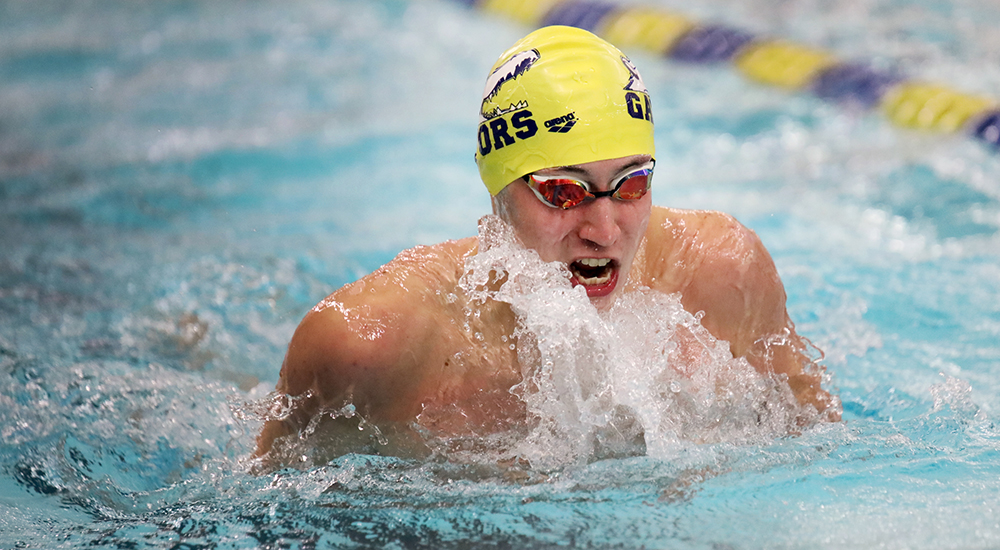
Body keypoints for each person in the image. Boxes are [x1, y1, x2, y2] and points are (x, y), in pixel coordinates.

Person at [255, 26, 839, 463]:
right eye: (563, 191)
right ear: (499, 191)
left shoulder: (721, 276)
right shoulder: (373, 346)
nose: (604, 230)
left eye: (631, 184)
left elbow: (821, 455)